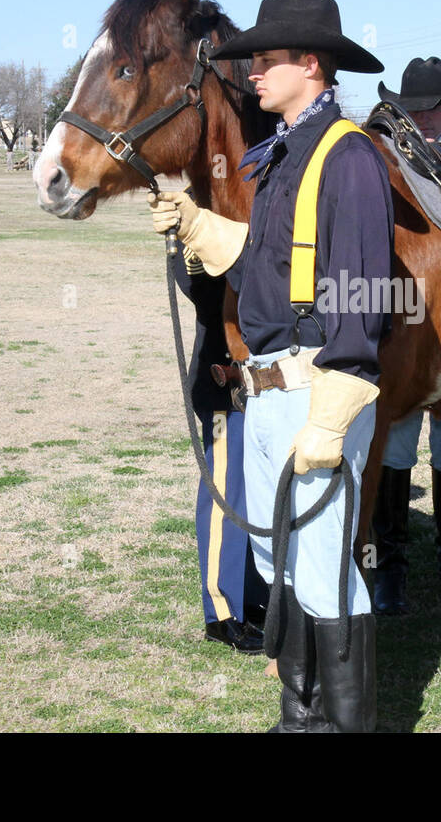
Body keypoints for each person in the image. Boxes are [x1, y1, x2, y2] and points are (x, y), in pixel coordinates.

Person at [150, 0, 392, 732]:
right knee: (278, 563)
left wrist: (334, 410)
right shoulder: (287, 152)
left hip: (313, 390)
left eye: (265, 59)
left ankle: (341, 726)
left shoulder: (346, 156)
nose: (251, 72)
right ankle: (301, 719)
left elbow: (360, 291)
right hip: (267, 394)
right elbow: (267, 263)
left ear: (309, 64)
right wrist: (198, 223)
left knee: (323, 570)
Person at [372, 56, 441, 614]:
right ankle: (403, 559)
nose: (435, 116)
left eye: (436, 107)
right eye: (427, 108)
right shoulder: (387, 164)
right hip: (415, 332)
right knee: (405, 446)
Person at [169, 237, 270, 654]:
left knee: (255, 495)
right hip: (225, 384)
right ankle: (222, 612)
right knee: (227, 497)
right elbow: (202, 290)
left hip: (269, 380)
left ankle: (251, 597)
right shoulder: (198, 217)